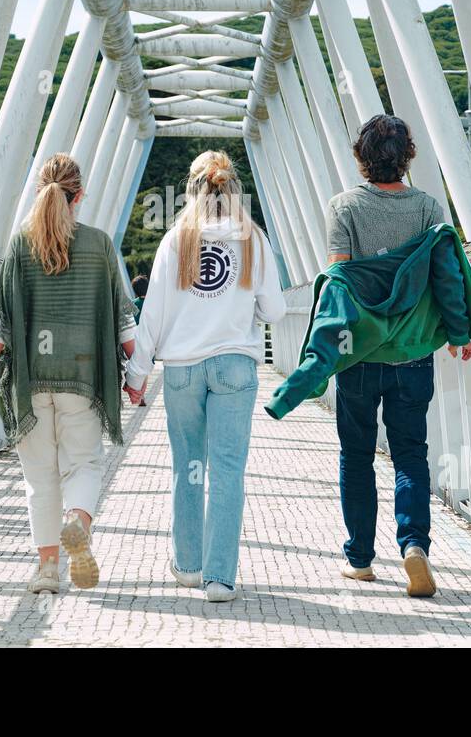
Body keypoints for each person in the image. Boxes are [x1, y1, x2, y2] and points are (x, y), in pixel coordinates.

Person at [284, 115, 471, 597]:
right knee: (411, 453)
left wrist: (322, 353)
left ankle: (361, 560)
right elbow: (447, 276)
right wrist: (458, 332)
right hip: (412, 354)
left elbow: (340, 285)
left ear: (361, 157)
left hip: (358, 356)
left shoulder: (344, 207)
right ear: (407, 156)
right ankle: (414, 546)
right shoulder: (429, 209)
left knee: (356, 454)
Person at [0, 153, 138, 595]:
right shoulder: (99, 244)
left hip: (32, 378)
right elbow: (121, 318)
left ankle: (46, 570)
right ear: (79, 195)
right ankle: (77, 522)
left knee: (39, 477)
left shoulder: (19, 246)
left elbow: (0, 321)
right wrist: (136, 373)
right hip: (82, 376)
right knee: (82, 463)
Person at [123, 151, 285, 602]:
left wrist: (137, 377)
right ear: (234, 189)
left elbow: (151, 317)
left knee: (189, 466)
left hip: (182, 370)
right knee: (228, 471)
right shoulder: (253, 238)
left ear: (192, 190)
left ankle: (189, 565)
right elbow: (274, 309)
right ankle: (220, 578)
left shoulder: (177, 240)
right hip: (234, 364)